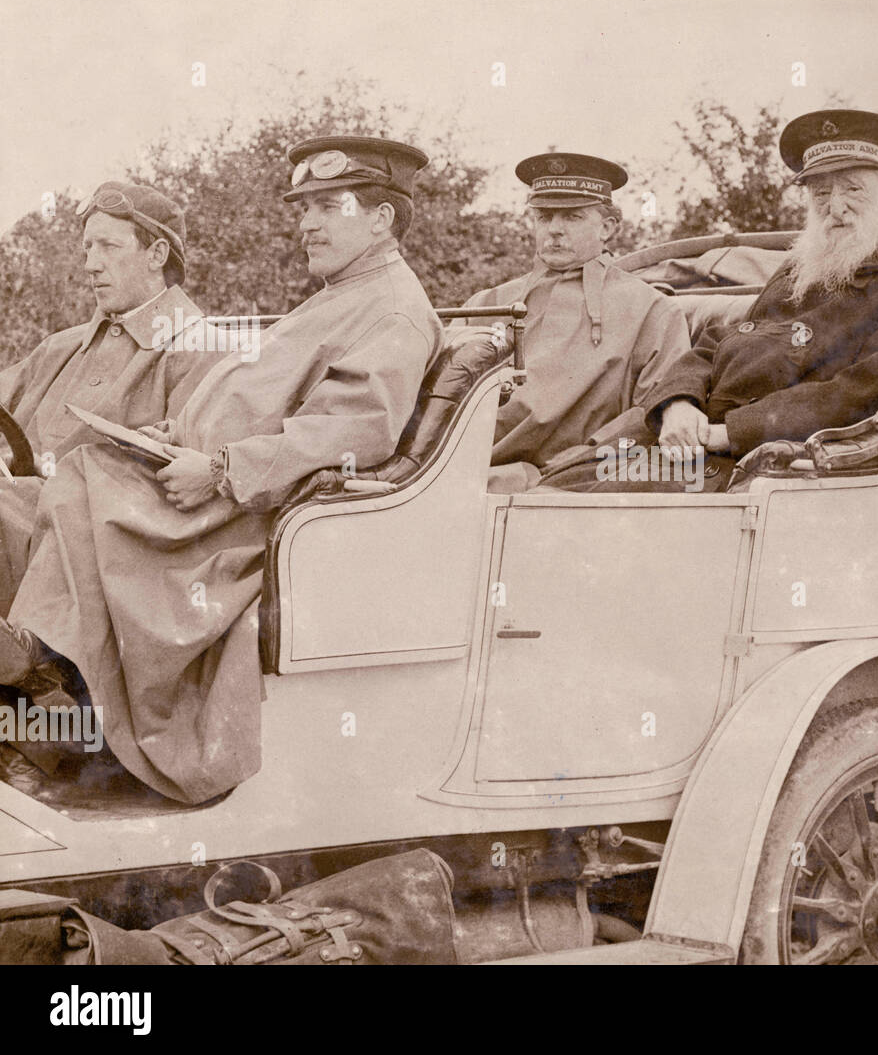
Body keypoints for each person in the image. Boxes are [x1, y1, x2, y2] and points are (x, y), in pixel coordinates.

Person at [0, 136, 442, 804]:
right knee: (88, 473)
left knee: (80, 482)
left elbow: (350, 432)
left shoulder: (393, 310)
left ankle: (39, 689)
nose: (307, 223)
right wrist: (165, 437)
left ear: (381, 218)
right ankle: (37, 682)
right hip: (201, 483)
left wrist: (222, 469)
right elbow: (248, 401)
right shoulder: (344, 294)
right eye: (304, 208)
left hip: (227, 516)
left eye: (328, 205)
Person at [554, 110, 878, 492]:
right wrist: (678, 404)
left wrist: (728, 432)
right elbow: (717, 344)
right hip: (689, 440)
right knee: (548, 484)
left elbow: (864, 392)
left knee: (558, 518)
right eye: (821, 193)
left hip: (763, 460)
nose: (836, 208)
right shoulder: (805, 264)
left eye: (853, 189)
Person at [0, 182, 217, 613]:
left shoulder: (201, 350)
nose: (90, 265)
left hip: (89, 546)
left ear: (156, 255)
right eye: (86, 249)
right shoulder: (62, 346)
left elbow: (181, 490)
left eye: (107, 247)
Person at [448, 152, 689, 481]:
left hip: (575, 479)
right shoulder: (488, 303)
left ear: (607, 227)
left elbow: (655, 409)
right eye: (545, 217)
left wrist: (588, 453)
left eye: (572, 217)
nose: (555, 230)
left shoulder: (653, 310)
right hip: (460, 471)